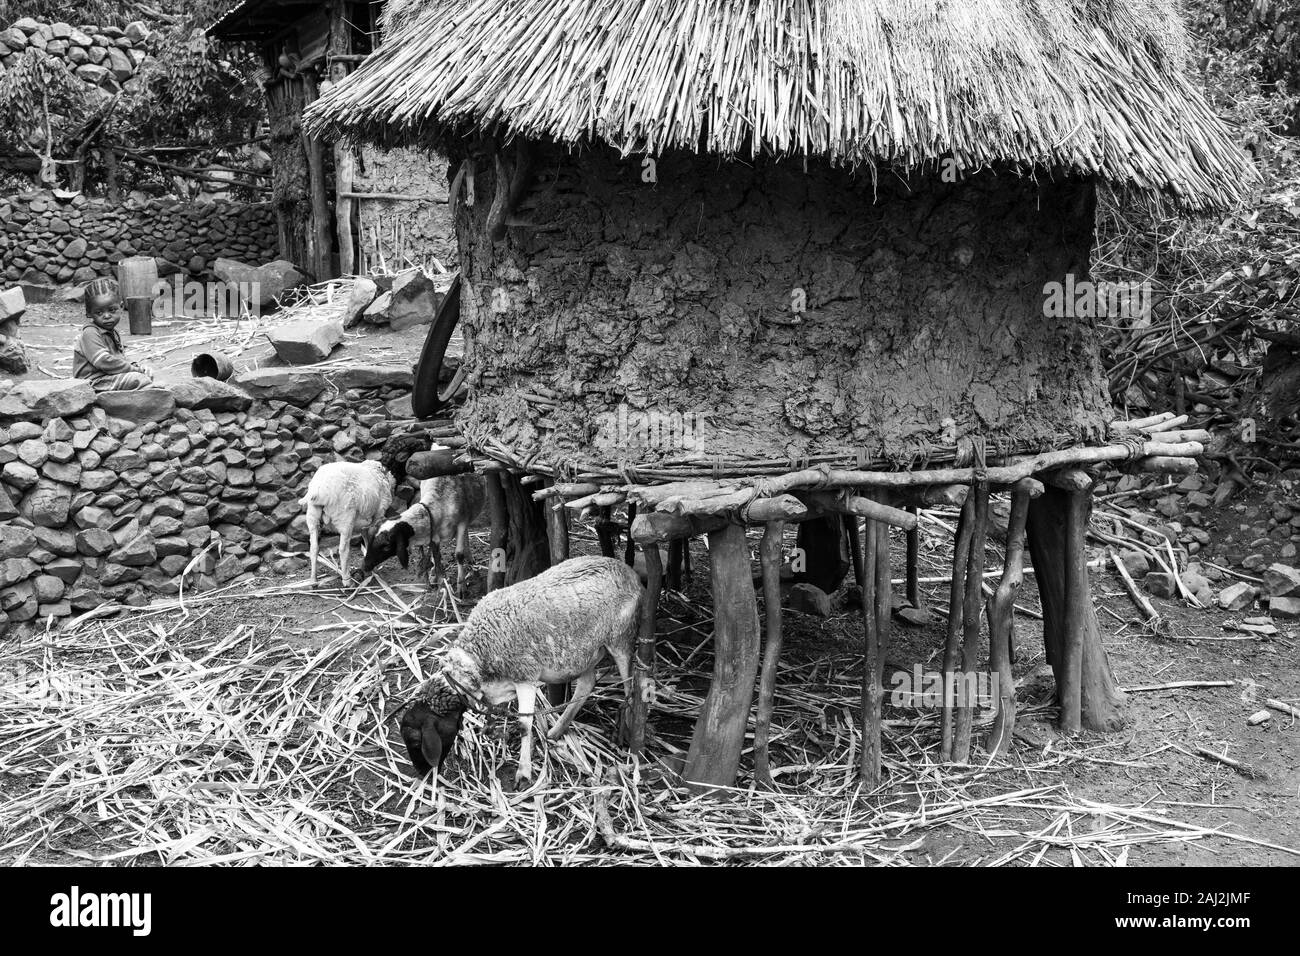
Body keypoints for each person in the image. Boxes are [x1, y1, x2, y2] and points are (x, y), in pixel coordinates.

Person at [72, 278, 154, 391]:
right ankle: (151, 393)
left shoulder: (113, 332)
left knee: (145, 374)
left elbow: (119, 359)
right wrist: (133, 370)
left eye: (112, 310)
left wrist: (137, 366)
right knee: (137, 379)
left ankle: (148, 390)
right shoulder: (90, 333)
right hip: (92, 382)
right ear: (89, 313)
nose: (106, 316)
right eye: (99, 312)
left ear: (121, 307)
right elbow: (104, 361)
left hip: (109, 377)